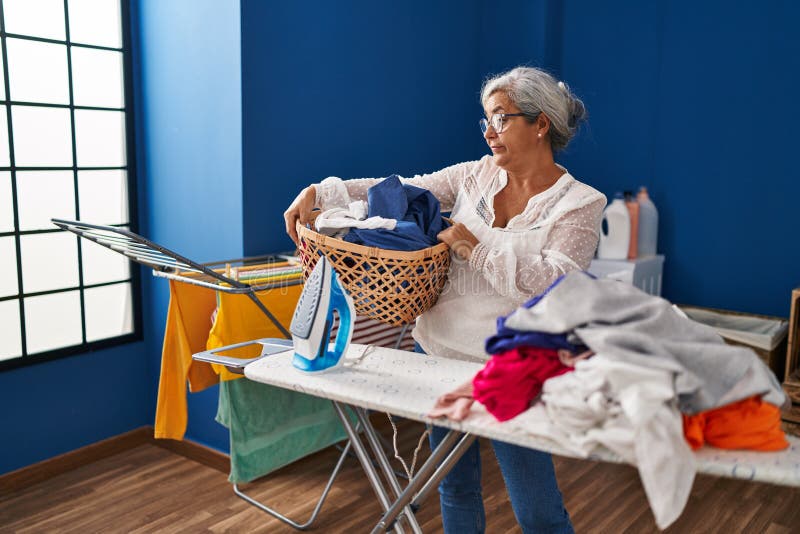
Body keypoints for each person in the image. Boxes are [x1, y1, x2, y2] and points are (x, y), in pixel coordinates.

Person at [284, 66, 606, 534]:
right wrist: (318, 191)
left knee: (535, 510)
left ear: (540, 125)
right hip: (437, 352)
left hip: (513, 369)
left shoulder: (579, 203)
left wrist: (474, 249)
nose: (489, 132)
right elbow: (395, 188)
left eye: (500, 118)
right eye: (485, 121)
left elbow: (556, 286)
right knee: (454, 488)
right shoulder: (473, 176)